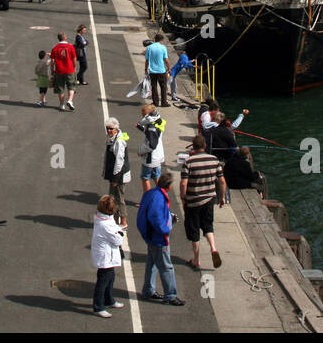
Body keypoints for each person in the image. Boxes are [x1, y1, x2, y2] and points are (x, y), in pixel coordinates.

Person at [136, 170, 184, 306]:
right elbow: (157, 219)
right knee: (166, 266)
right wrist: (167, 228)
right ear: (168, 186)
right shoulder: (159, 198)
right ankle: (170, 295)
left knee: (152, 264)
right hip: (157, 237)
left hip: (150, 235)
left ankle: (148, 290)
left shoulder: (152, 194)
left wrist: (169, 217)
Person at [180, 134, 227, 269]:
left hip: (193, 200)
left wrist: (183, 198)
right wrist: (221, 197)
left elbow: (183, 184)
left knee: (194, 230)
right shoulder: (214, 160)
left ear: (193, 147)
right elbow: (222, 181)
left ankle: (196, 259)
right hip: (209, 199)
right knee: (208, 225)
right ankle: (213, 247)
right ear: (205, 146)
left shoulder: (188, 162)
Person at [91, 195, 127, 318]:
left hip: (108, 256)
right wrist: (120, 232)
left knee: (110, 278)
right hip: (105, 257)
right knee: (103, 282)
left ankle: (109, 300)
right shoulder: (105, 224)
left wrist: (117, 229)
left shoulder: (103, 218)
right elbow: (117, 240)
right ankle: (98, 307)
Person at [103, 118, 132, 224]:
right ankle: (114, 220)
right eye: (107, 129)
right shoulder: (113, 139)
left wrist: (115, 179)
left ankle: (123, 222)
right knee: (113, 199)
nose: (108, 131)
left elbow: (119, 162)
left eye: (111, 129)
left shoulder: (119, 142)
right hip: (114, 175)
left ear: (116, 129)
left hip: (119, 176)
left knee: (119, 199)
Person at [136, 102, 166, 191]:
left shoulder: (150, 126)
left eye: (143, 115)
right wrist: (141, 128)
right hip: (158, 156)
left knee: (145, 178)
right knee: (157, 177)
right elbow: (153, 135)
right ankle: (163, 197)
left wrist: (140, 151)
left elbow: (151, 145)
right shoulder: (158, 121)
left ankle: (148, 200)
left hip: (150, 158)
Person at [50, 32, 78, 111]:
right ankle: (70, 100)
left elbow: (52, 61)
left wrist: (52, 71)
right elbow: (74, 58)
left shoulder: (55, 48)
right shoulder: (70, 47)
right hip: (70, 69)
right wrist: (74, 66)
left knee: (60, 88)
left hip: (59, 71)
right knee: (71, 86)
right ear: (65, 37)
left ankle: (62, 105)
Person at [144, 32, 170, 110]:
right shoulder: (163, 48)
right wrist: (169, 68)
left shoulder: (149, 48)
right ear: (161, 40)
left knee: (154, 87)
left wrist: (145, 69)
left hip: (152, 71)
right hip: (161, 70)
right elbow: (166, 60)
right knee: (163, 87)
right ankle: (164, 102)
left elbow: (147, 60)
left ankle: (155, 102)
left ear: (155, 39)